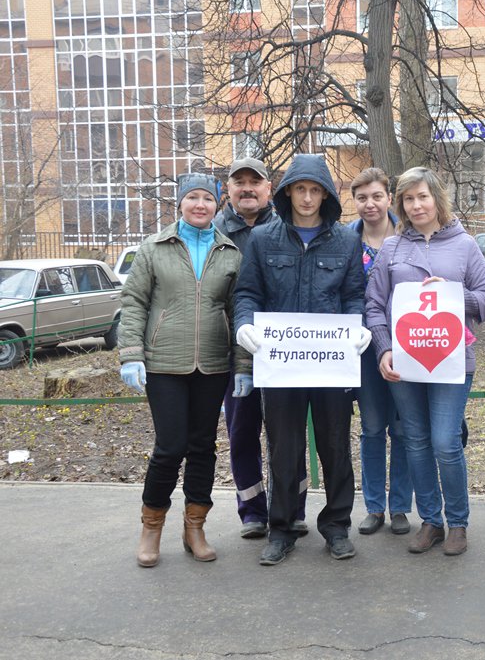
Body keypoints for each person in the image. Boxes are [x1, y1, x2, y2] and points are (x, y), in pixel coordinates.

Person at [233, 154, 370, 566]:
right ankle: (283, 527)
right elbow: (247, 293)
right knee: (283, 448)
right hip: (281, 363)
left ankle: (336, 526)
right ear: (287, 192)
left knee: (334, 445)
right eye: (300, 189)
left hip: (331, 362)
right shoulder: (264, 239)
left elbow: (354, 294)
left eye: (315, 190)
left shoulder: (345, 239)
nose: (307, 198)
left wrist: (357, 326)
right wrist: (244, 327)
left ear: (325, 195)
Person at [365, 166, 485, 557]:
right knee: (416, 441)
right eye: (408, 198)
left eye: (423, 196)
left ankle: (457, 522)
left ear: (437, 198)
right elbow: (374, 306)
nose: (416, 204)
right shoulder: (391, 248)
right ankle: (431, 521)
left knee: (444, 441)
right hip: (404, 363)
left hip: (451, 362)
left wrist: (455, 295)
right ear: (401, 204)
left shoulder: (465, 245)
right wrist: (384, 348)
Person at [119, 173, 242, 567]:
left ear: (218, 204)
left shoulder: (230, 252)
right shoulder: (154, 248)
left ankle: (195, 527)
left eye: (208, 198)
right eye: (193, 197)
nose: (200, 204)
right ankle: (151, 526)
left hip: (212, 364)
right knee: (170, 448)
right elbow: (134, 302)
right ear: (180, 203)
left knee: (203, 446)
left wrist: (241, 364)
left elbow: (237, 310)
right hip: (164, 363)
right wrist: (131, 354)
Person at [213, 157, 310, 540]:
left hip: (286, 350)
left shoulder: (287, 228)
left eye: (256, 182)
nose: (248, 188)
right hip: (232, 352)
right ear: (229, 191)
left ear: (270, 189)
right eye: (240, 183)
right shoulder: (214, 233)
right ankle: (252, 510)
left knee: (288, 433)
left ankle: (294, 508)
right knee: (242, 431)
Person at [347, 167, 413, 537]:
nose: (369, 204)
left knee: (403, 429)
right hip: (362, 350)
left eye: (376, 196)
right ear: (353, 202)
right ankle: (374, 506)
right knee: (372, 428)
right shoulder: (344, 241)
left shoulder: (409, 237)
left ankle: (401, 506)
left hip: (406, 346)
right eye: (361, 198)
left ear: (389, 198)